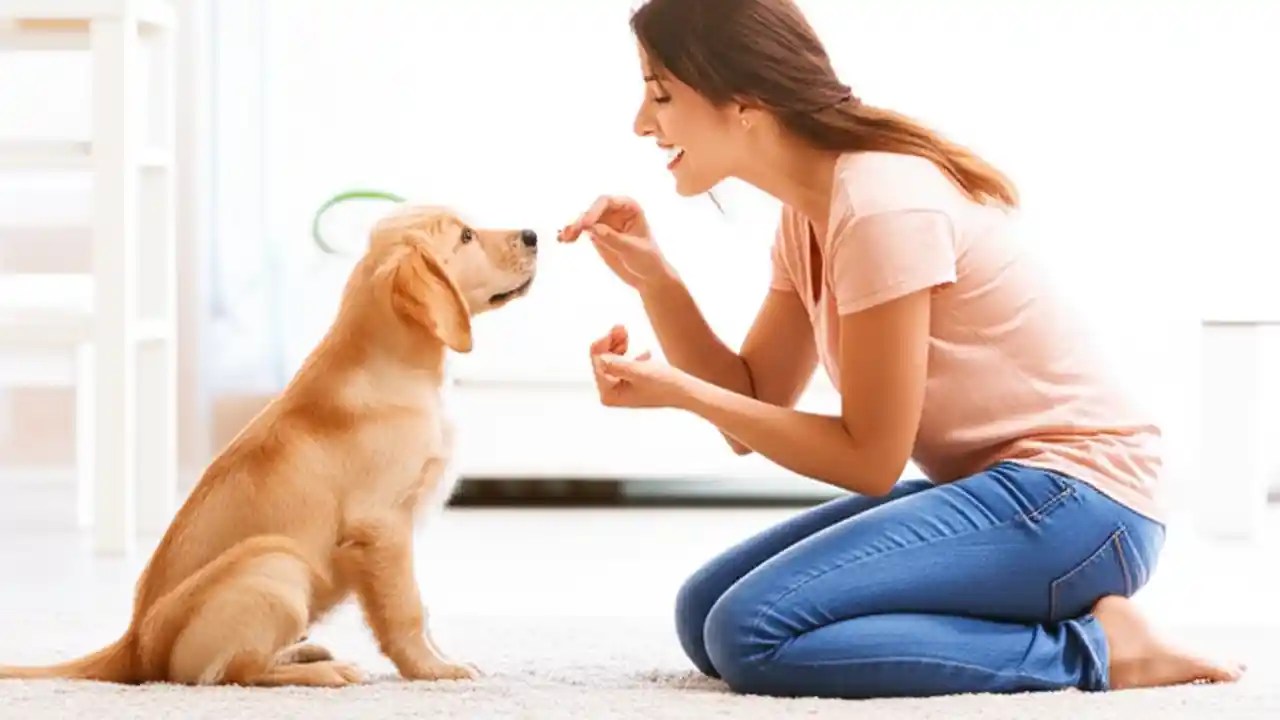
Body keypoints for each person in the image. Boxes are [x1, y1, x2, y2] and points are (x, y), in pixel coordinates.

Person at [557, 0, 1244, 701]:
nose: (642, 123)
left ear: (745, 103)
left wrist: (679, 390)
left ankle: (1096, 648)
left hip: (1084, 504)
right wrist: (655, 279)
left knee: (751, 633)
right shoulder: (809, 216)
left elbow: (870, 460)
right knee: (702, 612)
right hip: (1012, 493)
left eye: (661, 96)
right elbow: (754, 402)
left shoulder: (882, 206)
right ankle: (1030, 605)